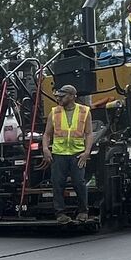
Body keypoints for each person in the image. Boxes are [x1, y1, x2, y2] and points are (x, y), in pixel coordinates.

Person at [46, 83, 92, 223]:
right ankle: (60, 214)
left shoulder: (84, 111)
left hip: (77, 154)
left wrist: (86, 153)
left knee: (79, 183)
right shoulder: (54, 112)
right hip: (59, 154)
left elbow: (89, 134)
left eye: (62, 96)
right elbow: (47, 134)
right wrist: (45, 149)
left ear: (72, 96)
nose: (59, 99)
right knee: (57, 183)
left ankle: (83, 211)